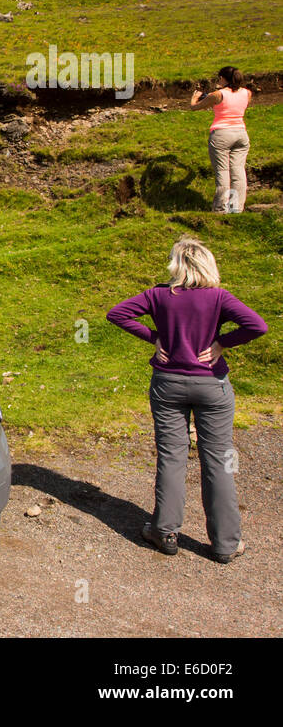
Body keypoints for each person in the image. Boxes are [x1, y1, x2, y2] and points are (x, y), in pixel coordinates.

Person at [107, 236, 267, 563]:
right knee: (219, 461)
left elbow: (117, 314)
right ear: (207, 263)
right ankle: (225, 544)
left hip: (167, 383)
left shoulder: (159, 295)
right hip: (211, 384)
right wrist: (222, 343)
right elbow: (257, 325)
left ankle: (164, 531)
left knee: (171, 456)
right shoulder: (219, 297)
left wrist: (154, 338)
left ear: (175, 265)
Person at [191, 66, 252, 213]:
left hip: (221, 134)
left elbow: (194, 107)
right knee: (238, 171)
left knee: (223, 172)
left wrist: (194, 97)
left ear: (223, 79)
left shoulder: (217, 94)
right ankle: (236, 208)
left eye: (219, 78)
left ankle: (220, 209)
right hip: (241, 133)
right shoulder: (247, 92)